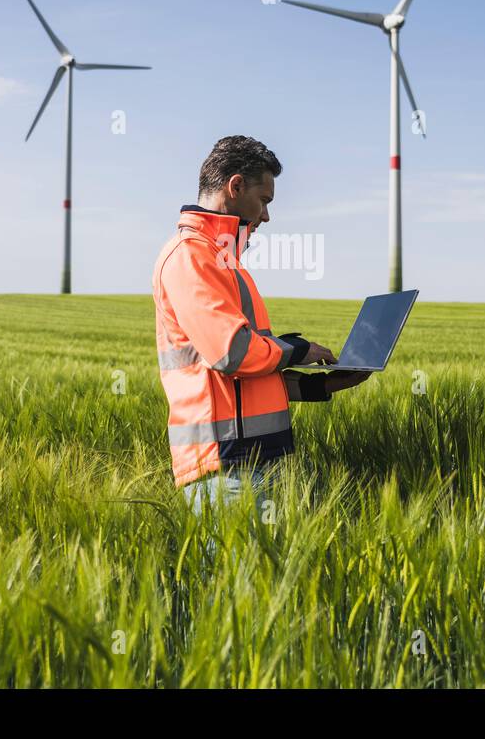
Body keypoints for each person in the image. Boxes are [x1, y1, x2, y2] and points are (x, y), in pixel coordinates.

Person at [151, 135, 369, 518]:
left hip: (255, 462)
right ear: (235, 186)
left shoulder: (223, 261)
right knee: (233, 580)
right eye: (264, 200)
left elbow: (248, 380)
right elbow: (233, 353)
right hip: (227, 468)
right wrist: (299, 349)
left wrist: (323, 383)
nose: (266, 216)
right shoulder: (191, 255)